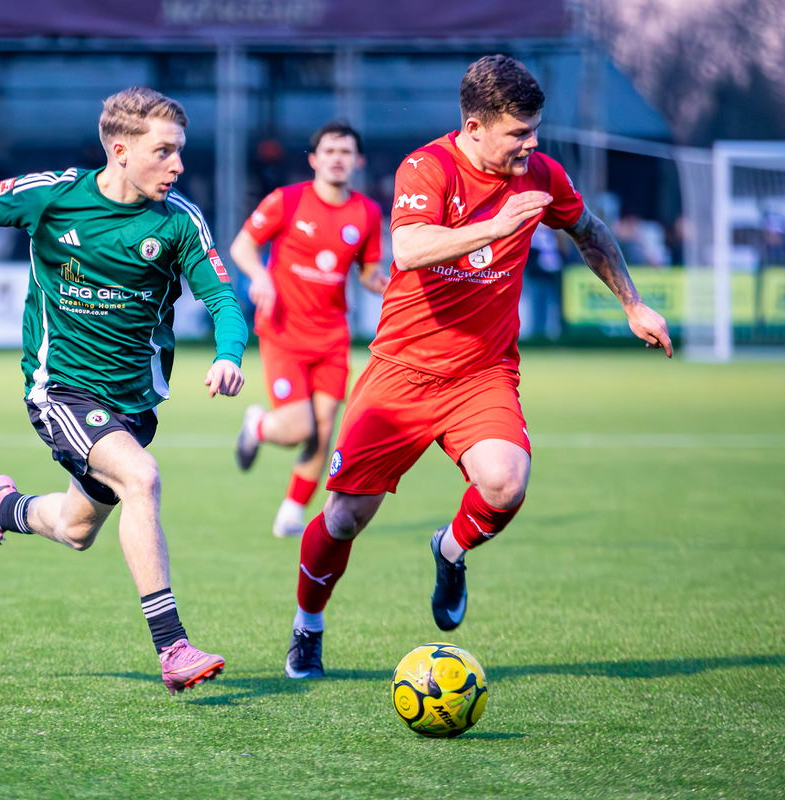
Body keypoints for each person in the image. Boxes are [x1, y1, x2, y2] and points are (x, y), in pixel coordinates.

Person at [282, 55, 673, 679]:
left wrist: (634, 304)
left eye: (535, 128)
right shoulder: (427, 166)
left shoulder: (540, 173)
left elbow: (590, 230)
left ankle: (450, 548)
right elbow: (408, 247)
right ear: (474, 127)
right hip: (401, 373)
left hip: (482, 374)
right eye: (518, 132)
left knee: (505, 483)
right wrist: (494, 225)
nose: (532, 142)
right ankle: (308, 626)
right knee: (345, 518)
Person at [0, 87, 249, 694]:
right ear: (120, 150)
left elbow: (222, 299)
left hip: (133, 404)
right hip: (59, 389)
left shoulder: (178, 222)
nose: (178, 166)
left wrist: (227, 354)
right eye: (165, 151)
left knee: (75, 528)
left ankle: (4, 508)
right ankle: (173, 649)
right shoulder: (55, 196)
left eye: (180, 152)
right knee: (141, 478)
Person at [230, 121, 386, 537]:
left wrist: (385, 283)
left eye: (346, 152)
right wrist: (258, 277)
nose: (338, 158)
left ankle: (291, 513)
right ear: (315, 160)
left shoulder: (367, 213)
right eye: (330, 151)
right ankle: (258, 426)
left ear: (358, 161)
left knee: (323, 431)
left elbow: (369, 271)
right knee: (299, 427)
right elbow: (242, 246)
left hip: (333, 336)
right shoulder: (287, 201)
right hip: (283, 331)